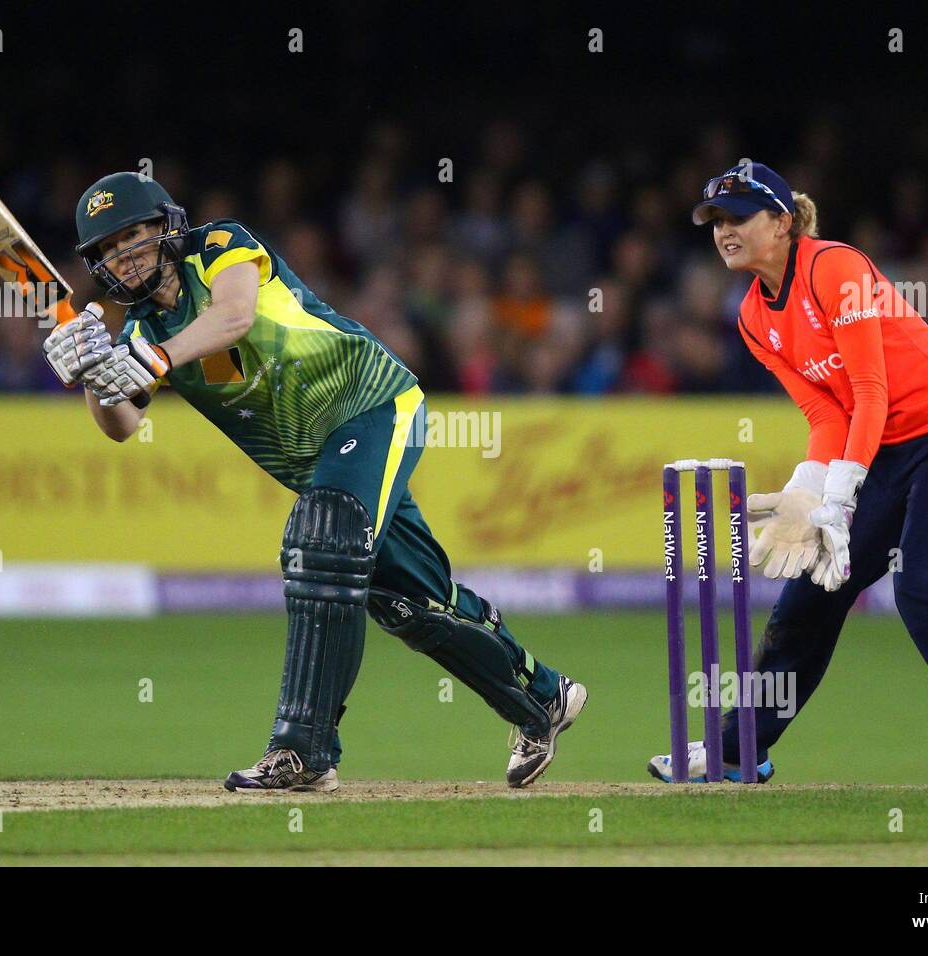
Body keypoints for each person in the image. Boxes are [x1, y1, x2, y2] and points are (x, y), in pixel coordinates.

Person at [45, 172, 586, 792]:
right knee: (411, 604)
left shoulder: (220, 245)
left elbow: (234, 316)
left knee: (321, 540)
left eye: (134, 237)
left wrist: (149, 359)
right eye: (110, 250)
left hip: (373, 402)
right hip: (323, 464)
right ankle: (542, 699)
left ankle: (303, 750)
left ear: (166, 227)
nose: (126, 256)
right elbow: (121, 425)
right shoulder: (141, 333)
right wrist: (92, 372)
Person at [649, 162, 928, 788]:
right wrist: (806, 492)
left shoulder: (835, 267)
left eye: (738, 217)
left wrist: (835, 500)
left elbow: (871, 389)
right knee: (810, 595)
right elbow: (825, 411)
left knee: (923, 590)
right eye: (716, 222)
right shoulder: (755, 317)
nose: (724, 231)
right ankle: (738, 750)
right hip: (883, 453)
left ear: (782, 222)